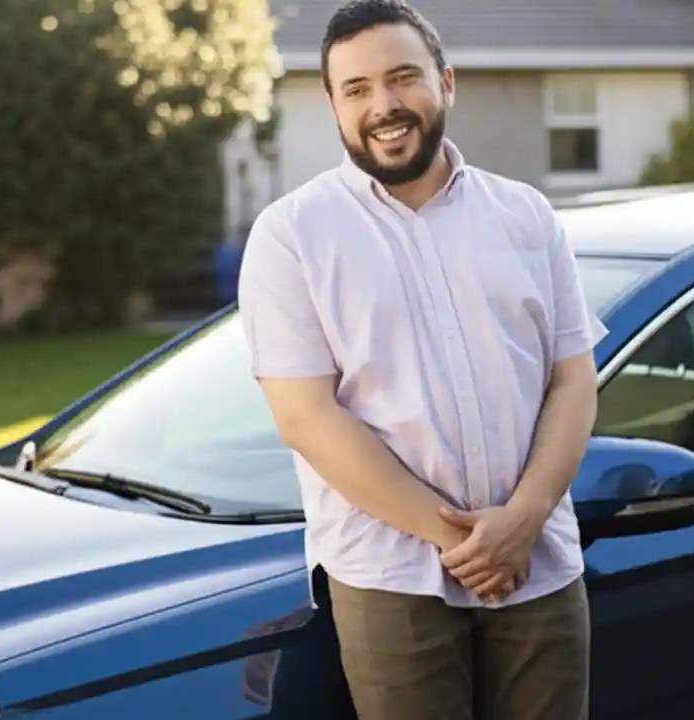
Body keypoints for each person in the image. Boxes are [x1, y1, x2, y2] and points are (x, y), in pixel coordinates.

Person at [236, 1, 606, 718]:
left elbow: (572, 379)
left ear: (446, 81)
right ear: (334, 105)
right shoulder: (292, 236)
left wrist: (524, 518)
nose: (384, 105)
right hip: (391, 577)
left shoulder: (526, 214)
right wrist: (469, 542)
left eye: (403, 78)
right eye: (358, 89)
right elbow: (307, 417)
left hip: (541, 563)